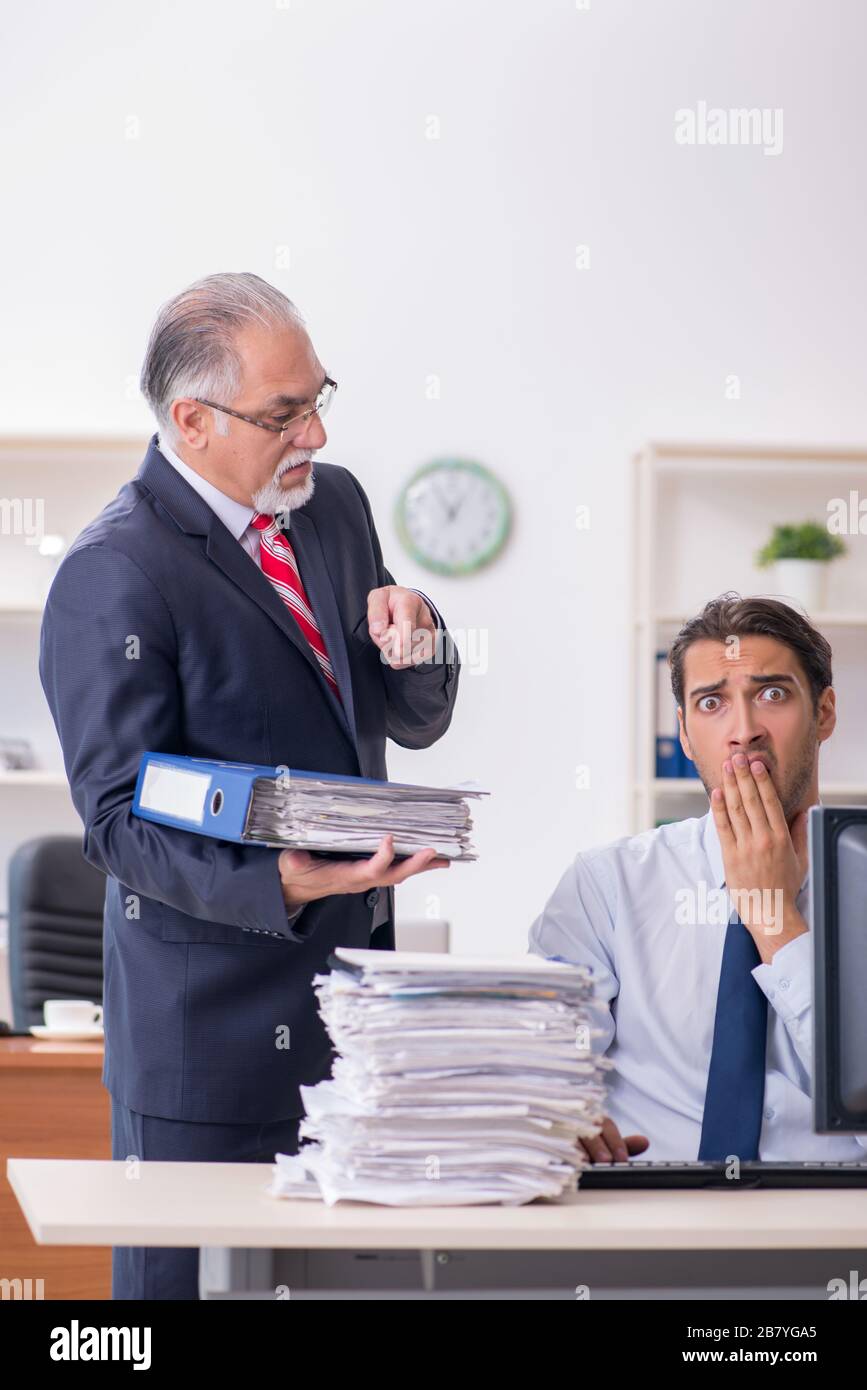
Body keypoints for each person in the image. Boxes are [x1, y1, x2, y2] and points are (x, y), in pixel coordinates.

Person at [39, 272, 461, 1298]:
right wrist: (285, 882)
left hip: (353, 1023)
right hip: (208, 1048)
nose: (313, 433)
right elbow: (116, 820)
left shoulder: (335, 508)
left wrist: (418, 641)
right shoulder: (117, 572)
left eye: (320, 398)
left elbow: (402, 717)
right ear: (191, 420)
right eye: (285, 413)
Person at [529, 593, 867, 1166]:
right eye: (712, 703)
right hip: (648, 1220)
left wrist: (775, 921)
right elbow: (538, 1079)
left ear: (825, 712)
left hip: (836, 1224)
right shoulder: (606, 885)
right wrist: (552, 1117)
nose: (744, 730)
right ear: (685, 734)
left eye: (772, 694)